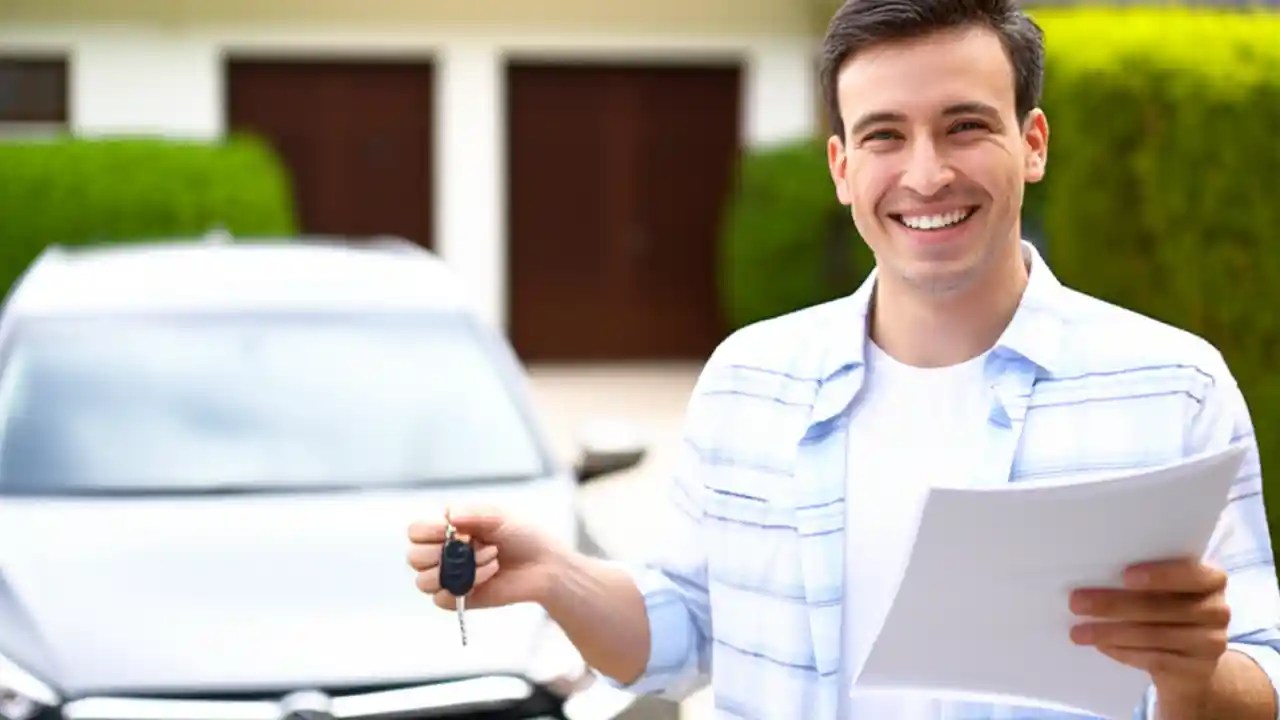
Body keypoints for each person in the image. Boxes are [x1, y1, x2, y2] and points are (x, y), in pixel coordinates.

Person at [406, 0, 1280, 716]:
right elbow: (684, 635)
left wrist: (1193, 678)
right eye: (884, 135)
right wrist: (556, 576)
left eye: (965, 126)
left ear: (1034, 143)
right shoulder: (748, 383)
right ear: (841, 166)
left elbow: (1262, 675)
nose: (926, 174)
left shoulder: (1173, 389)